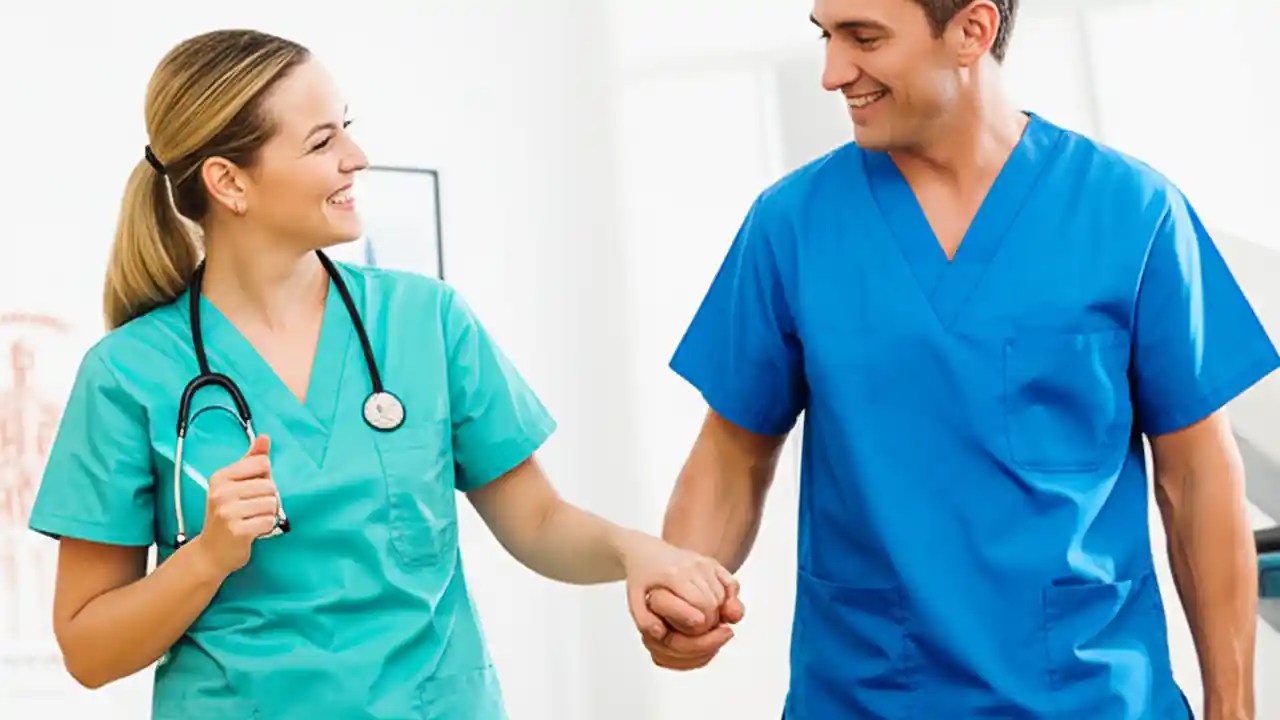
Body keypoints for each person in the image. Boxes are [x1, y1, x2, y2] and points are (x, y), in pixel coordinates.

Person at [27, 29, 739, 719]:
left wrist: (635, 552)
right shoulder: (127, 375)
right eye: (321, 141)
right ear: (228, 182)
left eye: (346, 128)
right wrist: (207, 556)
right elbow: (90, 650)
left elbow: (539, 520)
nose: (356, 157)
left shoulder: (425, 320)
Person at [642, 0, 1279, 718]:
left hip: (1091, 698)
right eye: (826, 36)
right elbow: (732, 450)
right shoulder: (792, 225)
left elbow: (1197, 481)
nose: (832, 72)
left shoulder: (1133, 213)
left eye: (864, 38)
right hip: (866, 697)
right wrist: (682, 586)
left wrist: (1234, 707)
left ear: (972, 30)